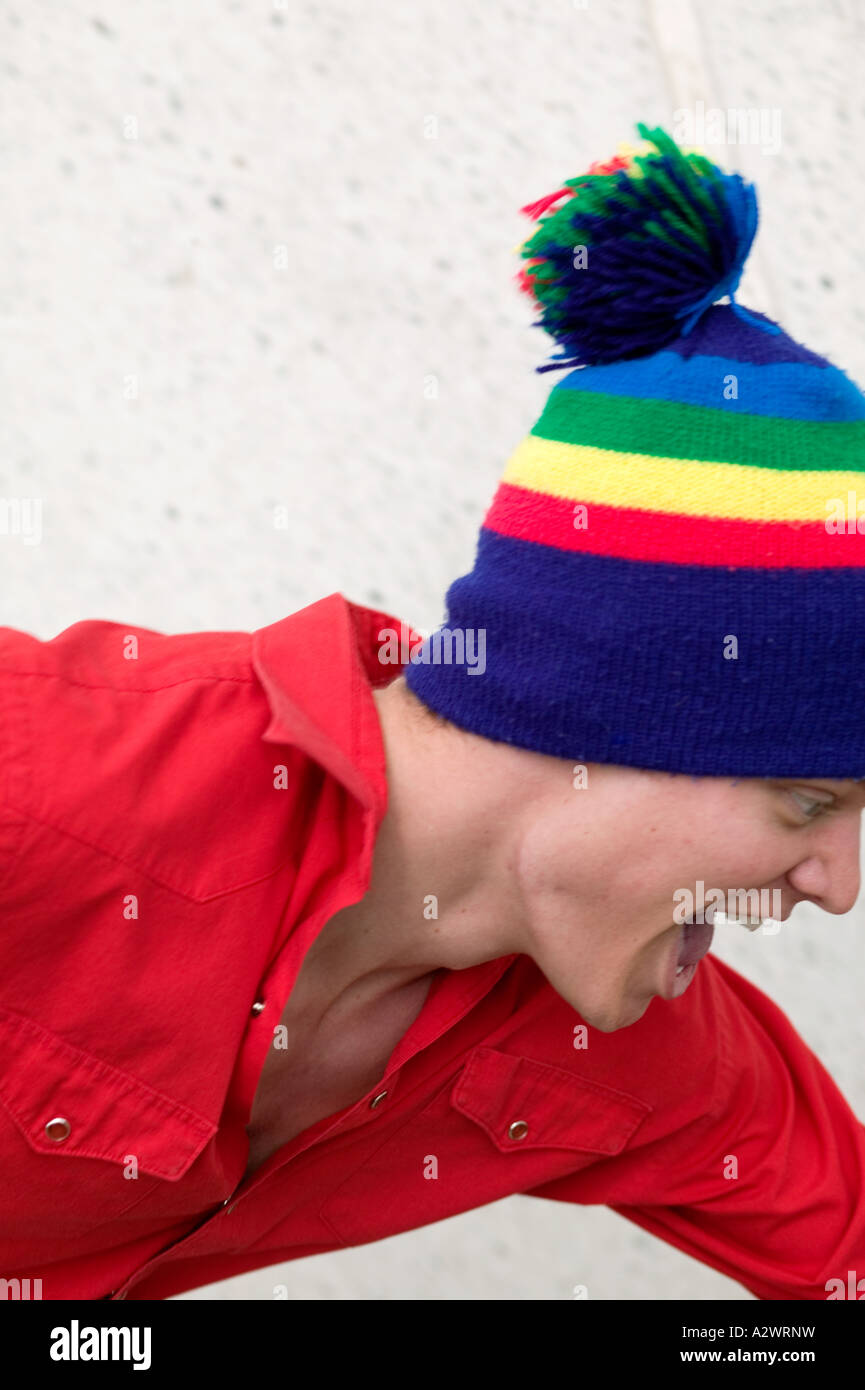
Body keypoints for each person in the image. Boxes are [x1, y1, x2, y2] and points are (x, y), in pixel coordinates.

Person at [1, 122, 863, 1303]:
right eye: (809, 798)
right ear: (595, 725)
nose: (836, 882)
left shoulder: (642, 1047)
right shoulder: (48, 774)